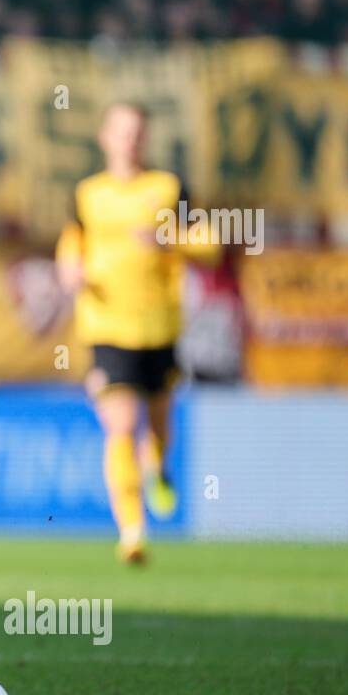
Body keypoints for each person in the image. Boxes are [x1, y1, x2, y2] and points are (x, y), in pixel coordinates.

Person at [55, 102, 220, 564]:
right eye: (122, 132)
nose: (130, 140)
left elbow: (210, 244)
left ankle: (159, 469)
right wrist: (70, 269)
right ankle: (131, 532)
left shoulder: (167, 188)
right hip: (107, 325)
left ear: (145, 140)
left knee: (159, 421)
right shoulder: (88, 193)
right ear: (105, 137)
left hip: (161, 325)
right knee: (122, 425)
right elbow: (72, 243)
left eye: (138, 132)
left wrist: (171, 241)